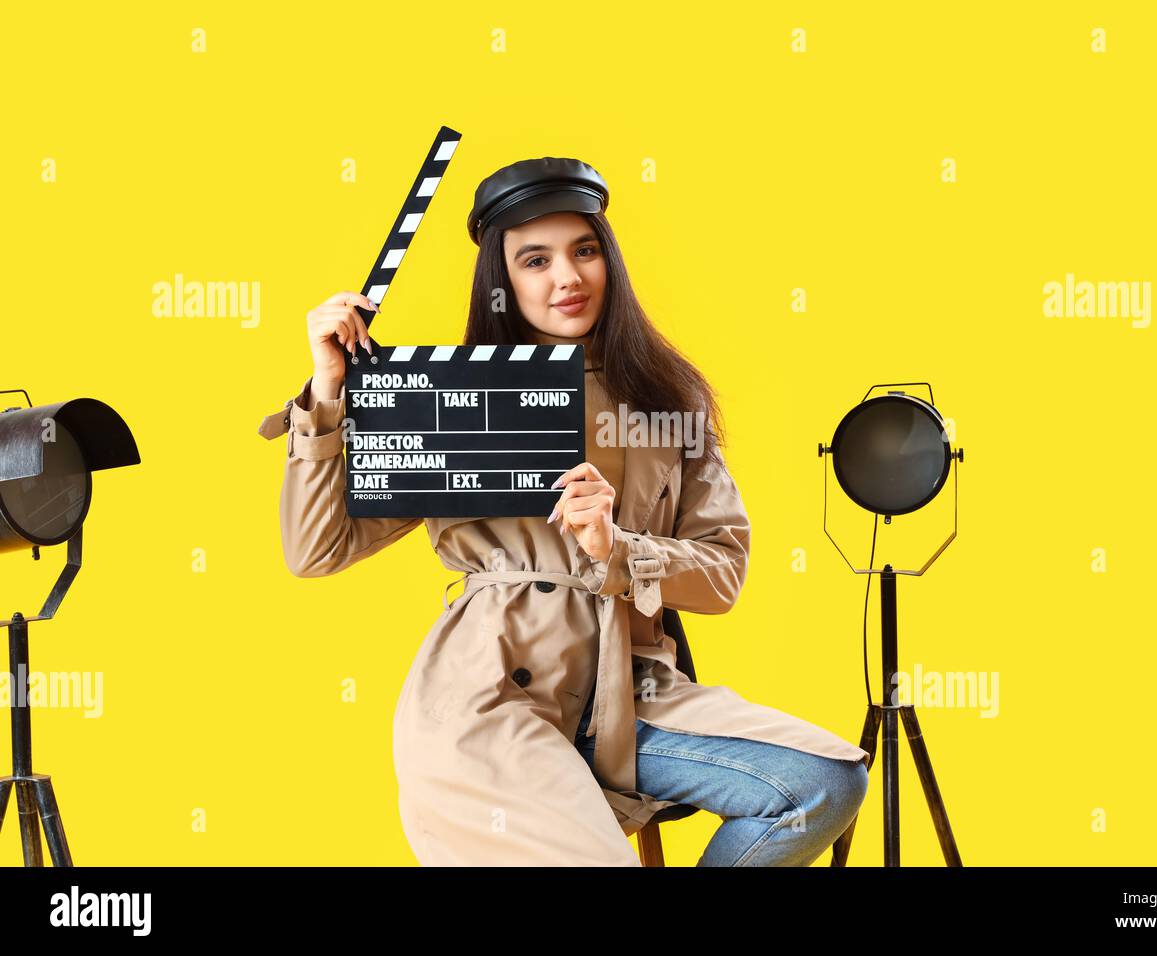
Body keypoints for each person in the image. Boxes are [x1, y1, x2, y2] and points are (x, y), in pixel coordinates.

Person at [258, 157, 868, 866]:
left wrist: (621, 547)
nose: (567, 279)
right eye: (535, 260)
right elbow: (316, 549)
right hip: (492, 702)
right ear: (503, 280)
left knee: (821, 782)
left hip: (630, 696)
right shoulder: (449, 393)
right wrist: (327, 397)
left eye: (584, 250)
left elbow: (723, 575)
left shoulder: (668, 400)